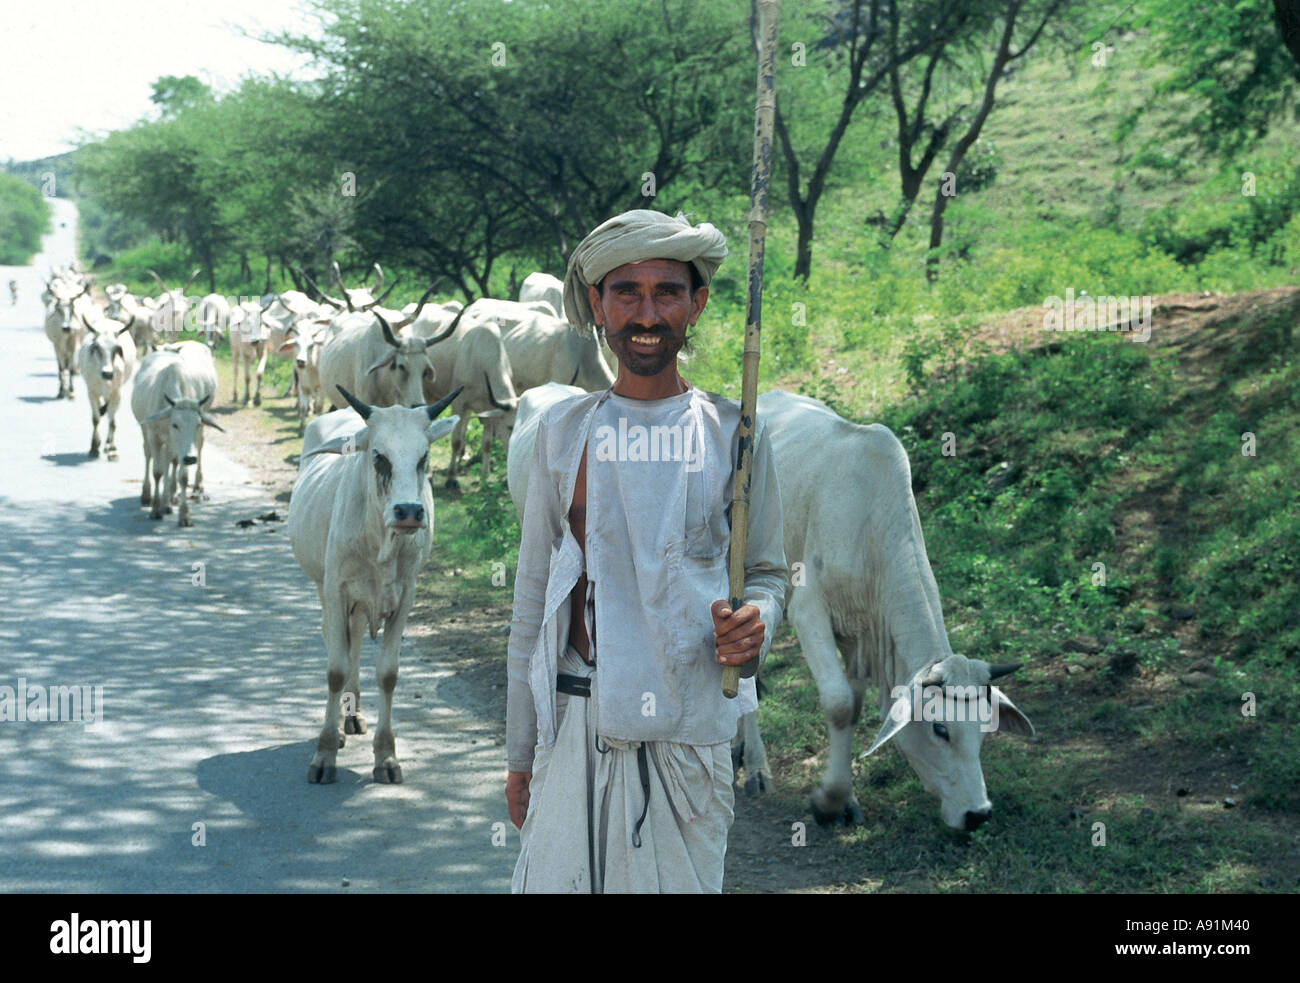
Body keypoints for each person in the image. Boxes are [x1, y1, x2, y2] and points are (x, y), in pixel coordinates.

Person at [505, 209, 788, 893]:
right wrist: (521, 752)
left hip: (688, 732)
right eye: (626, 291)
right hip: (575, 718)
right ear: (598, 305)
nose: (647, 312)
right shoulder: (563, 432)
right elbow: (533, 597)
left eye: (667, 292)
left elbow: (770, 574)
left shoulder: (734, 435)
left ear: (698, 304)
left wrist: (759, 623)